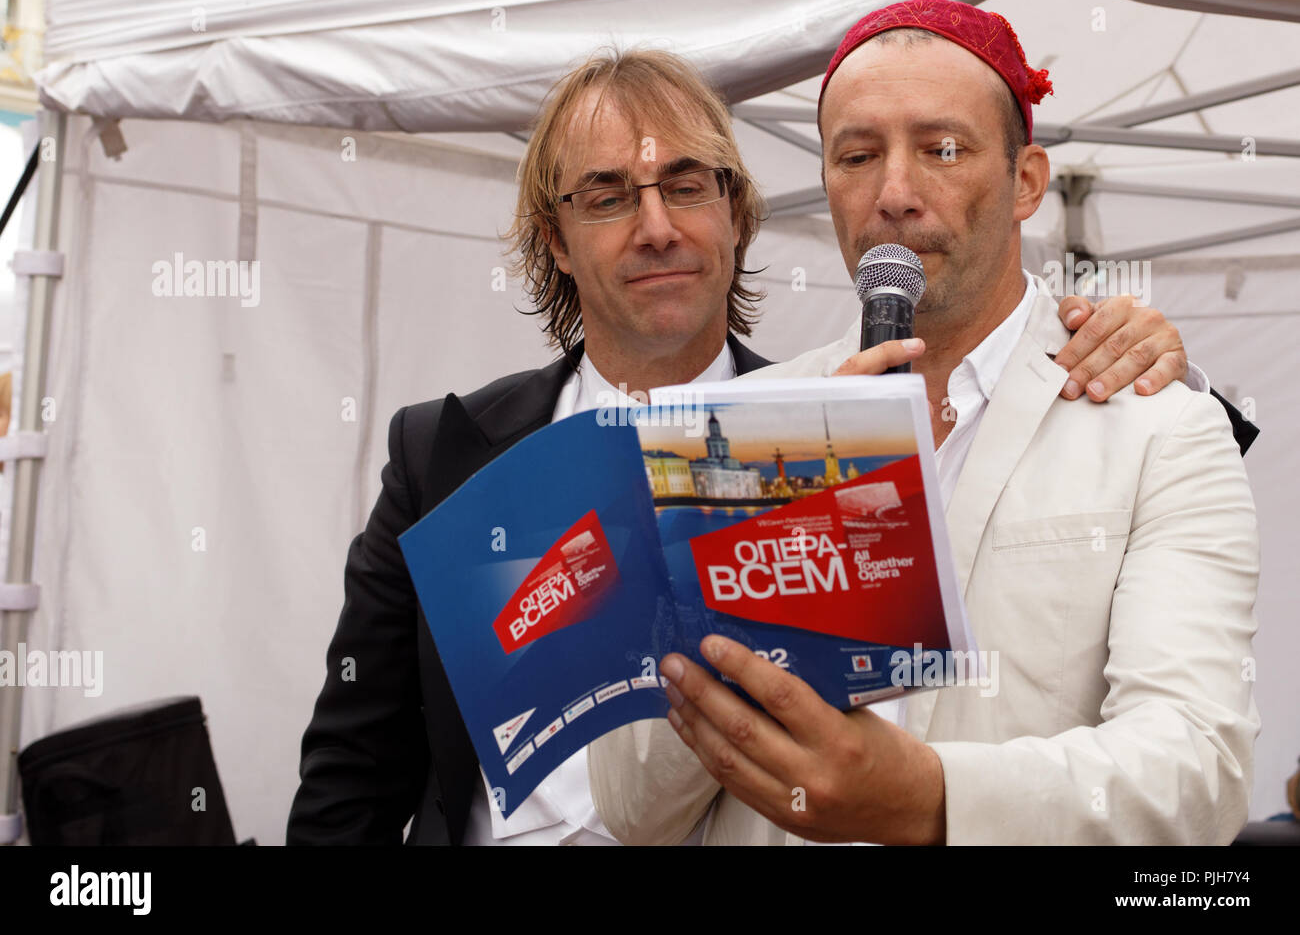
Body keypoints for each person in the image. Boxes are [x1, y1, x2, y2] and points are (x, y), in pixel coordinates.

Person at [288, 44, 1248, 846]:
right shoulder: (450, 449)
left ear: (738, 213)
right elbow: (359, 761)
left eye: (685, 186)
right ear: (558, 234)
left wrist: (1176, 377)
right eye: (611, 195)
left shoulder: (801, 420)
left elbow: (1191, 762)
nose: (656, 228)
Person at [587, 0, 1261, 846]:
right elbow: (633, 810)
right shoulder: (739, 426)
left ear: (1026, 183)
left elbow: (1196, 772)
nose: (895, 194)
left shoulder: (1160, 428)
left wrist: (932, 799)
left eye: (942, 149)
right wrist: (747, 548)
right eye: (857, 155)